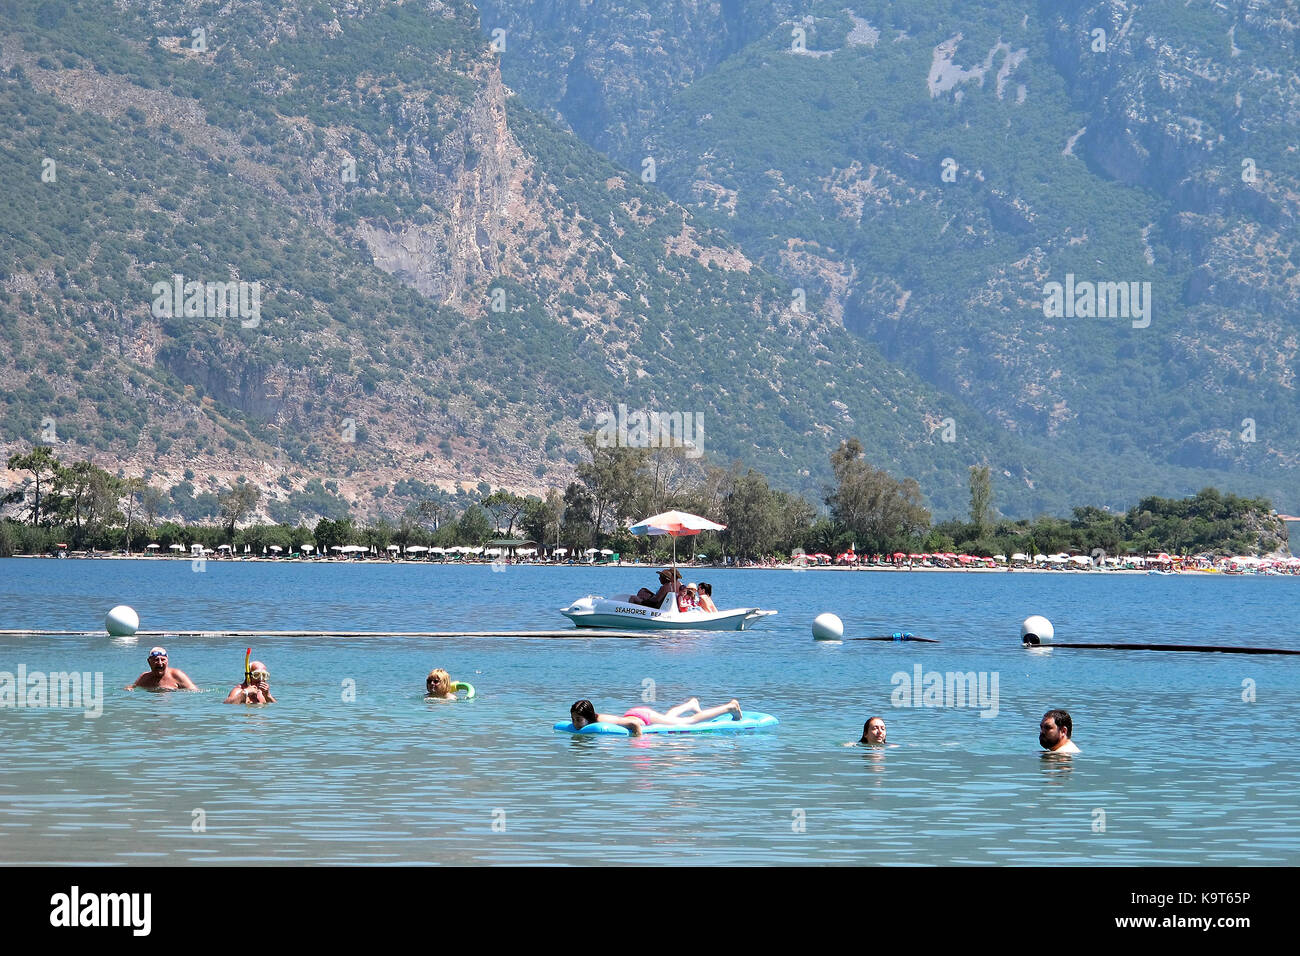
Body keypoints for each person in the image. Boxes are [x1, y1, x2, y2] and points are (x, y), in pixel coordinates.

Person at [570, 697, 742, 736]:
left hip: (642, 718)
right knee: (669, 718)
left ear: (588, 717)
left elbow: (632, 724)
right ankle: (690, 704)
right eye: (573, 719)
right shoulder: (591, 722)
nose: (575, 724)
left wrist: (638, 741)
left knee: (687, 722)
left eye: (578, 720)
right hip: (636, 712)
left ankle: (729, 707)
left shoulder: (599, 722)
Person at [130, 647, 199, 691]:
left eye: (163, 659)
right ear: (149, 661)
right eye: (156, 660)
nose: (160, 663)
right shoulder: (145, 677)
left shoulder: (177, 675)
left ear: (167, 661)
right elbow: (131, 688)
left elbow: (195, 691)